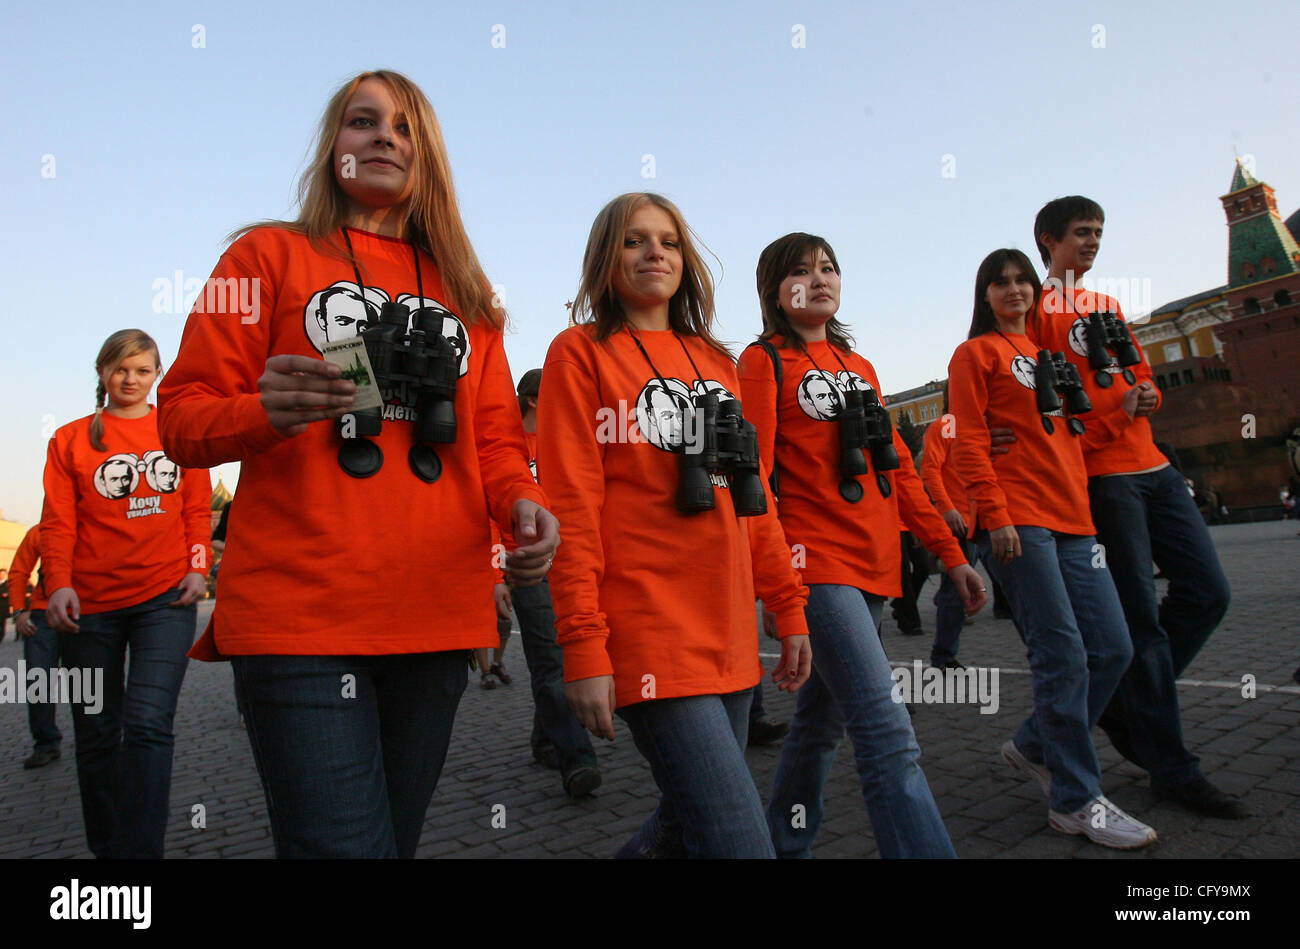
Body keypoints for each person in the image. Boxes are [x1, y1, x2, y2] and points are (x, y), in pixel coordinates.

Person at [156, 70, 558, 858]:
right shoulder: (266, 254)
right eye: (361, 121)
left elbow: (497, 441)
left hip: (435, 615)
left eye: (405, 128)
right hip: (300, 619)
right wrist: (257, 412)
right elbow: (179, 419)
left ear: (428, 158)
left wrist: (523, 502)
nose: (384, 137)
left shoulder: (469, 295)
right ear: (331, 147)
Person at [540, 192, 812, 858]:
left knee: (685, 824)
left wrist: (788, 603)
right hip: (649, 629)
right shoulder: (580, 353)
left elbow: (756, 499)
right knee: (739, 837)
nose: (653, 251)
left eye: (666, 240)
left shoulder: (717, 363)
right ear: (606, 258)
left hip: (728, 632)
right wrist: (582, 644)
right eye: (633, 240)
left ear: (685, 259)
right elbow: (570, 505)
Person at [738, 232, 985, 858]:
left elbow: (900, 471)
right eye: (799, 271)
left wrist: (951, 557)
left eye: (828, 268)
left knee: (821, 726)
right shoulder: (762, 361)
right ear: (774, 289)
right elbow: (756, 481)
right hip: (815, 566)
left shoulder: (860, 367)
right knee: (887, 732)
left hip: (876, 566)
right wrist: (775, 587)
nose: (818, 278)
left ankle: (782, 844)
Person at [1027, 196, 1244, 818]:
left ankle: (1123, 703)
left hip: (1156, 467)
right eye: (1079, 233)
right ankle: (1172, 767)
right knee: (1141, 622)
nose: (1092, 242)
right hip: (1103, 477)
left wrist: (1145, 393)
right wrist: (1104, 421)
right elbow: (1045, 405)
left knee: (1209, 592)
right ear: (1047, 239)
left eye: (1098, 232)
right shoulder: (1039, 313)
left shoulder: (1107, 306)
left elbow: (1138, 372)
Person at [948, 247, 1155, 849]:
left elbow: (1076, 434)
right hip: (1022, 521)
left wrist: (1127, 407)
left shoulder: (1049, 357)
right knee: (1062, 655)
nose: (1014, 290)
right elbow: (967, 438)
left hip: (1076, 520)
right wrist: (996, 513)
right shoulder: (974, 354)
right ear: (984, 294)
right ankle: (1074, 800)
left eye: (1022, 281)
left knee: (1113, 649)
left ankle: (1037, 744)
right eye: (1000, 282)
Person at [41, 329, 211, 858]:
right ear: (102, 373)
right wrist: (60, 585)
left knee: (147, 724)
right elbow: (57, 523)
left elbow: (197, 510)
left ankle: (138, 857)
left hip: (165, 601)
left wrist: (197, 568)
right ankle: (109, 850)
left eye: (142, 370)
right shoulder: (69, 440)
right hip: (89, 608)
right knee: (96, 736)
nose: (131, 379)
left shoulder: (178, 430)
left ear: (157, 374)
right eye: (121, 369)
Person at [498, 367, 603, 798]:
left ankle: (546, 738)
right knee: (549, 659)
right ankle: (578, 760)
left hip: (570, 561)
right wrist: (495, 572)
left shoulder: (564, 443)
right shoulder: (508, 447)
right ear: (535, 400)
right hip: (526, 566)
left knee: (561, 655)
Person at [9, 524, 64, 768]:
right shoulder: (40, 532)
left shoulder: (92, 524)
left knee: (94, 681)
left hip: (88, 613)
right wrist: (20, 611)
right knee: (39, 680)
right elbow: (19, 571)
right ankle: (46, 743)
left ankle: (101, 740)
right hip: (43, 616)